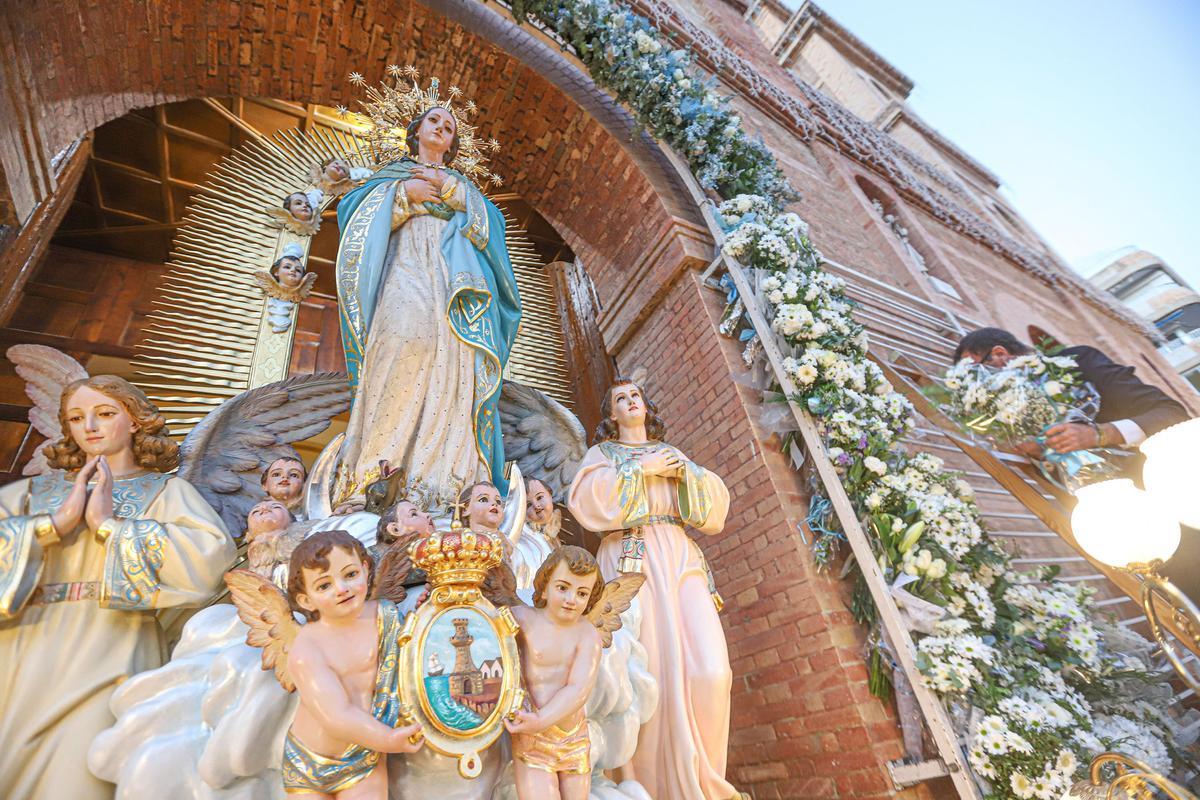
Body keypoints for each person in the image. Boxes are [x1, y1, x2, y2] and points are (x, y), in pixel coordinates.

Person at [0, 375, 235, 800]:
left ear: (136, 421)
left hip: (113, 641)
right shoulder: (32, 493)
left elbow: (208, 560)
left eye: (105, 413)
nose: (89, 426)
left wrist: (111, 527)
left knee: (80, 772)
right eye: (76, 418)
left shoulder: (166, 492)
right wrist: (52, 525)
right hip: (21, 643)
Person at [334, 102, 521, 503]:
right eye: (433, 120)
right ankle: (375, 476)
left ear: (452, 144)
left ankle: (443, 486)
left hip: (455, 278)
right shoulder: (392, 177)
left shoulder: (462, 185)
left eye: (449, 127)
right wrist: (403, 194)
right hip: (405, 263)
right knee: (404, 343)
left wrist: (454, 193)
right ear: (416, 131)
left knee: (456, 362)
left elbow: (493, 227)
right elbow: (351, 213)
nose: (440, 128)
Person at [568, 377, 737, 800]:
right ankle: (650, 786)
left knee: (712, 671)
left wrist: (686, 473)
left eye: (635, 396)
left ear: (646, 406)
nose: (630, 402)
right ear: (611, 414)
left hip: (678, 554)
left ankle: (707, 783)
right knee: (648, 670)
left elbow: (713, 509)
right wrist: (640, 470)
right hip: (631, 556)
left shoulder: (671, 453)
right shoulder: (603, 455)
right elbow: (587, 500)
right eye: (620, 399)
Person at [284, 531, 425, 797]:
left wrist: (426, 610)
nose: (342, 588)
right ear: (306, 600)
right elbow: (337, 715)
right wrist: (387, 739)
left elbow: (414, 656)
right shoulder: (307, 649)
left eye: (350, 574)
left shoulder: (385, 615)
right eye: (324, 586)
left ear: (366, 568)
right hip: (308, 762)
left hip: (364, 754)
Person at [954, 328, 1189, 470]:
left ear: (1000, 354)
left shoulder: (1077, 361)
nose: (980, 384)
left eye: (977, 372)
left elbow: (1172, 414)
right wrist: (1040, 454)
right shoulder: (1010, 415)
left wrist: (1099, 434)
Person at [505, 546, 604, 800]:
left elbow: (578, 688)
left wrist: (542, 719)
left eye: (582, 593)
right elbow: (481, 626)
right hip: (532, 739)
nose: (571, 599)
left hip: (573, 739)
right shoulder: (521, 619)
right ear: (544, 586)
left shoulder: (587, 634)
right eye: (563, 588)